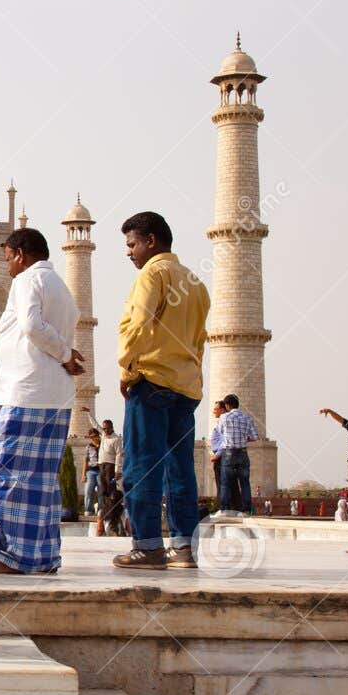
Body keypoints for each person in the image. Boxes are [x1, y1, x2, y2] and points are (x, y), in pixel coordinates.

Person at [0, 229, 83, 575]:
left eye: (7, 259)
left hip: (23, 394)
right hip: (53, 399)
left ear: (20, 254)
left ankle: (10, 558)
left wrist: (65, 353)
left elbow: (31, 325)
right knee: (40, 483)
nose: (7, 268)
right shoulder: (61, 287)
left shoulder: (27, 280)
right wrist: (64, 353)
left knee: (11, 476)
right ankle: (43, 557)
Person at [112, 211, 209, 570]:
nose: (129, 253)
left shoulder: (153, 273)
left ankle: (148, 547)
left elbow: (137, 325)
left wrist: (126, 368)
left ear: (151, 241)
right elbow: (200, 340)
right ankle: (183, 548)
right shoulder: (195, 281)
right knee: (180, 469)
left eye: (132, 244)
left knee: (141, 466)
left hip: (151, 381)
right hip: (186, 388)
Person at [214, 394, 259, 516]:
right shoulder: (246, 418)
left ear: (227, 405)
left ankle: (225, 510)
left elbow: (220, 434)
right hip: (243, 452)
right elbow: (255, 437)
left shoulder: (224, 417)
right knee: (244, 483)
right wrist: (243, 440)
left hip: (228, 453)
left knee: (225, 482)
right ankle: (246, 510)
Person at [206, 400, 226, 504]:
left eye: (215, 409)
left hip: (221, 456)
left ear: (222, 410)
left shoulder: (223, 422)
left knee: (222, 484)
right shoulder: (222, 422)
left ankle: (223, 507)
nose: (213, 411)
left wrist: (217, 455)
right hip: (221, 455)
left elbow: (226, 440)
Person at [81, 429, 100, 516]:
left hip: (101, 471)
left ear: (98, 435)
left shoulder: (103, 445)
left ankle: (101, 510)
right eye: (91, 437)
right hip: (91, 470)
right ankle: (88, 510)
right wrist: (83, 474)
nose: (93, 438)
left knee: (101, 491)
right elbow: (86, 460)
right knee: (89, 491)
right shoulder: (88, 447)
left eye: (94, 436)